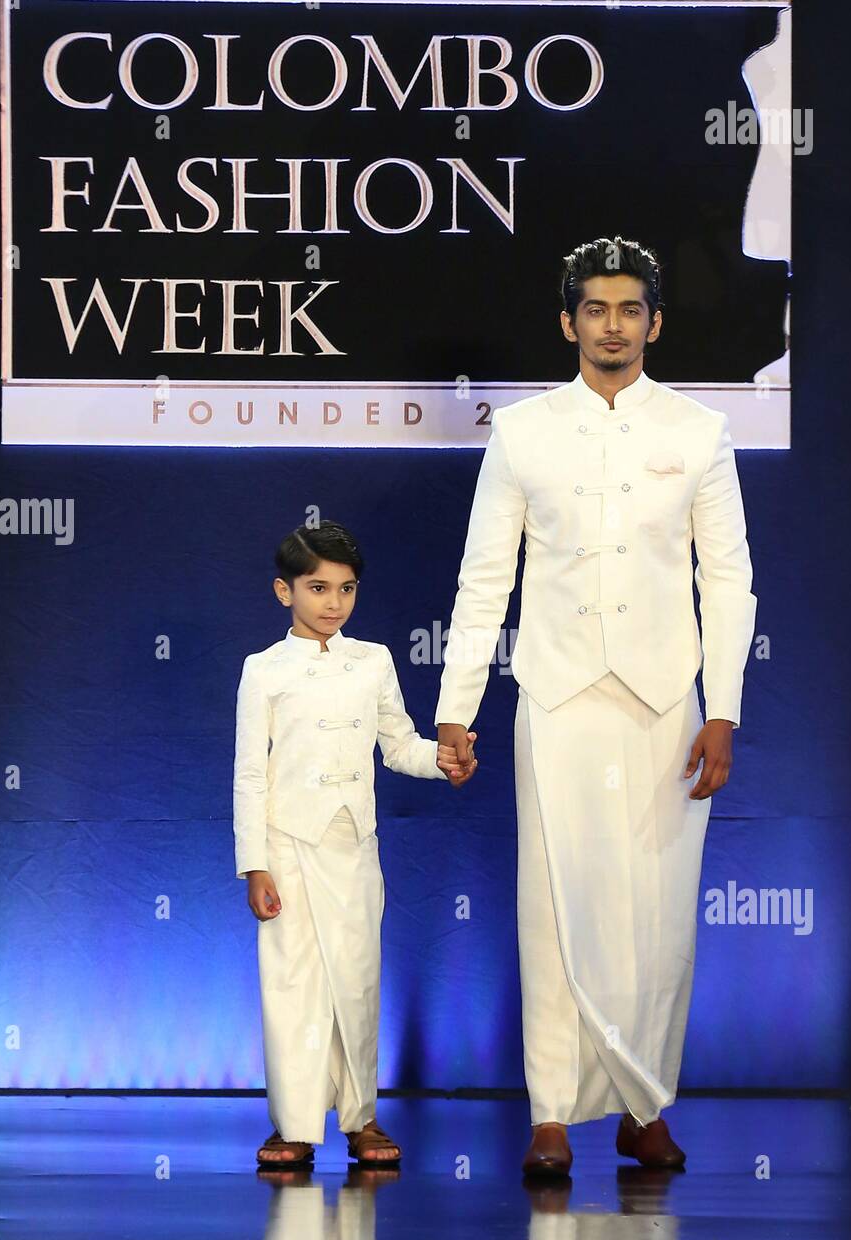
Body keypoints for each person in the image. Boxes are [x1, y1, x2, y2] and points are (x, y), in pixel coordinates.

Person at [435, 236, 757, 1176]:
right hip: (559, 695)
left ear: (654, 324)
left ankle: (643, 1105)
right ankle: (550, 1113)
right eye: (595, 310)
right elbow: (484, 579)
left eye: (629, 311)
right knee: (554, 903)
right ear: (568, 321)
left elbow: (727, 581)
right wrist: (457, 707)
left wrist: (724, 710)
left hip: (666, 702)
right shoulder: (522, 432)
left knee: (659, 910)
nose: (612, 327)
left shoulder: (699, 431)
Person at [234, 520, 476, 1170]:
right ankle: (292, 1125)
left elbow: (398, 746)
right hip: (288, 848)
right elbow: (250, 773)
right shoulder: (263, 670)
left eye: (346, 588)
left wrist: (443, 760)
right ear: (284, 591)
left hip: (353, 846)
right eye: (318, 587)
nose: (333, 602)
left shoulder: (373, 661)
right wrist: (254, 865)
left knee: (359, 981)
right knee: (292, 984)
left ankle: (361, 1117)